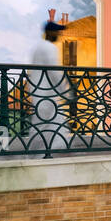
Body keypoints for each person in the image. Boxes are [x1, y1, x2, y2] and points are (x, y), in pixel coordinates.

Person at [26, 19, 74, 151]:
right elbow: (55, 71)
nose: (59, 34)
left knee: (50, 122)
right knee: (44, 124)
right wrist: (65, 91)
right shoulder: (49, 48)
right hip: (46, 92)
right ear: (50, 32)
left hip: (39, 91)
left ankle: (44, 151)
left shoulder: (38, 48)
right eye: (57, 31)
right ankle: (39, 153)